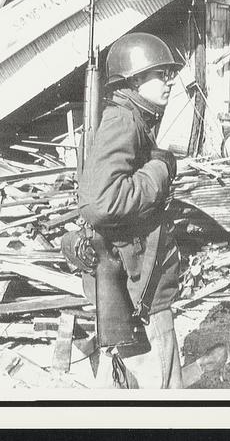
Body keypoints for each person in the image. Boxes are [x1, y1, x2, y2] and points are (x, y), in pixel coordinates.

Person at [77, 32, 185, 389]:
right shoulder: (124, 120)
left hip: (139, 274)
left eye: (170, 74)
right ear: (135, 80)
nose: (170, 82)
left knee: (139, 375)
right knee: (159, 380)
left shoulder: (134, 117)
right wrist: (159, 170)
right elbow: (100, 202)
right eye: (161, 74)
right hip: (138, 280)